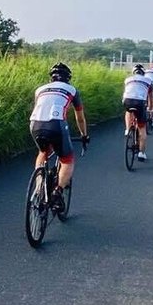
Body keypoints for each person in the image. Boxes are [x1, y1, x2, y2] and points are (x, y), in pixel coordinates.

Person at [29, 62, 89, 204]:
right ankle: (58, 191)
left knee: (42, 152)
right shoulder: (72, 90)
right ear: (68, 78)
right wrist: (84, 135)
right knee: (67, 159)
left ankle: (39, 188)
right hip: (56, 123)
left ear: (51, 78)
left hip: (35, 123)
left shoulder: (40, 90)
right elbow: (80, 118)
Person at [122, 62, 152, 160]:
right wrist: (150, 108)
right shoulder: (148, 81)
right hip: (140, 102)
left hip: (127, 100)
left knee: (128, 111)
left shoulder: (127, 79)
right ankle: (141, 153)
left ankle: (127, 129)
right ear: (143, 73)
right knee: (142, 129)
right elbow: (150, 97)